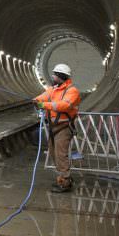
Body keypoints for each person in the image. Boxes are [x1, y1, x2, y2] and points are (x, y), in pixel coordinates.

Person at [35, 63, 81, 193]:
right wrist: (36, 100)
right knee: (54, 153)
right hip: (53, 127)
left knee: (61, 154)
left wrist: (44, 105)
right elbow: (44, 96)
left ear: (61, 76)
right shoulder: (54, 89)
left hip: (64, 127)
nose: (53, 77)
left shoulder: (72, 91)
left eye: (55, 75)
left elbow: (64, 106)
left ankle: (66, 182)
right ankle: (63, 177)